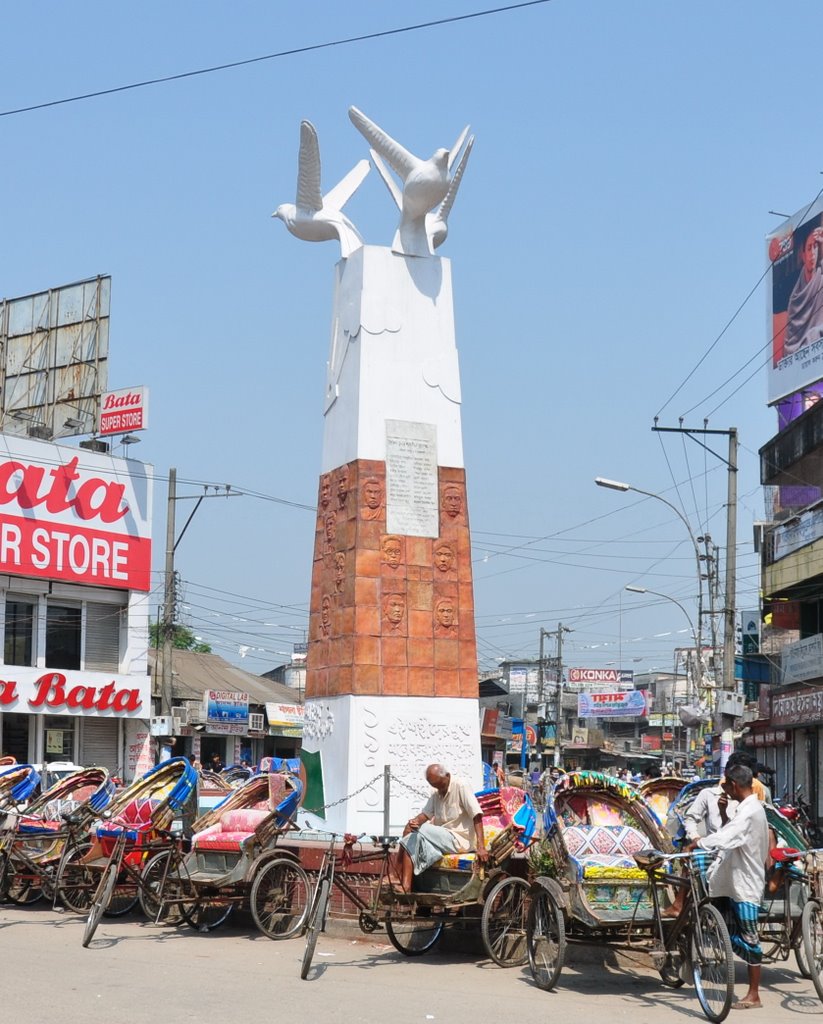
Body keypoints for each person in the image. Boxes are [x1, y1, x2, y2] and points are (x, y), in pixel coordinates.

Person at [688, 764, 769, 1011]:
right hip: (735, 881)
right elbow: (730, 831)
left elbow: (726, 837)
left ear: (734, 785)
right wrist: (723, 814)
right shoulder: (746, 808)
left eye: (726, 784)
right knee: (726, 928)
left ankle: (754, 994)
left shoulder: (750, 812)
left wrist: (698, 842)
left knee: (750, 938)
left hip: (746, 884)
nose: (724, 788)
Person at [391, 763, 488, 893]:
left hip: (459, 840)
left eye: (440, 785)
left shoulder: (461, 785)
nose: (439, 789)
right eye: (435, 786)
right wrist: (414, 822)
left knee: (418, 828)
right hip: (441, 840)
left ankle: (396, 873)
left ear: (447, 776)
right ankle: (406, 885)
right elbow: (425, 815)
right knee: (412, 838)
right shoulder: (436, 791)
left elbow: (477, 815)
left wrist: (481, 847)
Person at [784, 228, 823, 356]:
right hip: (800, 361)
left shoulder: (821, 280)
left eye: (815, 247)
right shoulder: (795, 298)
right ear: (803, 255)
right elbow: (789, 344)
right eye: (809, 248)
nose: (812, 253)